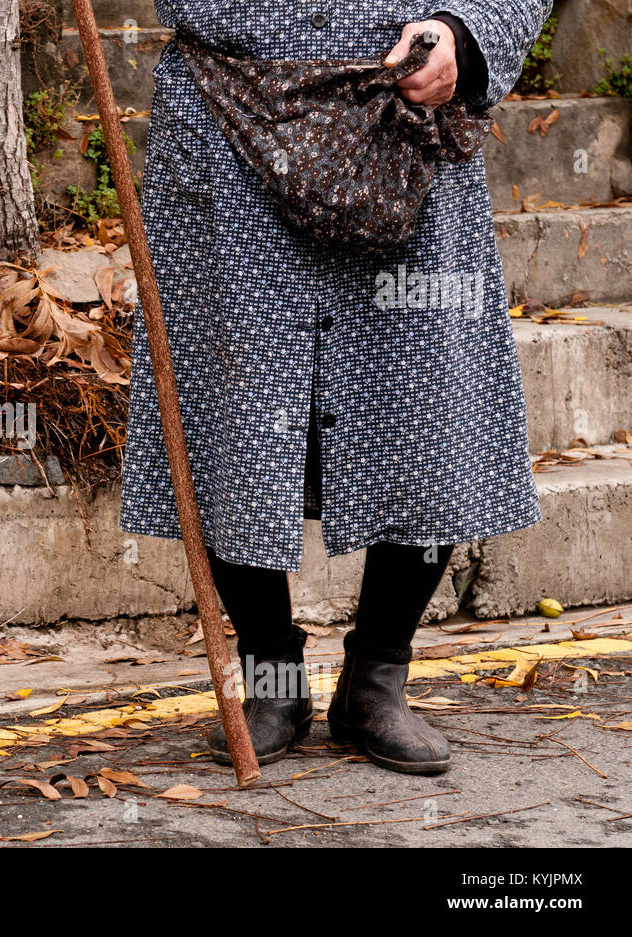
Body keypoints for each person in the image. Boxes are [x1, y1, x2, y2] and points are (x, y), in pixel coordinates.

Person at [121, 2, 554, 775]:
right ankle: (274, 681)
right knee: (233, 413)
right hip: (228, 113)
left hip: (406, 108)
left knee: (426, 400)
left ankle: (377, 679)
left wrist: (466, 32)